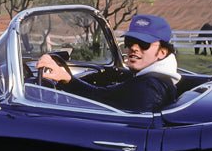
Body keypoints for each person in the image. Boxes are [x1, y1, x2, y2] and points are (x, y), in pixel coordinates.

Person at [36, 14, 181, 112]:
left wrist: (66, 79)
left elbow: (102, 98)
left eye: (144, 44)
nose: (134, 48)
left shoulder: (149, 86)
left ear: (162, 52)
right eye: (130, 42)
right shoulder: (152, 79)